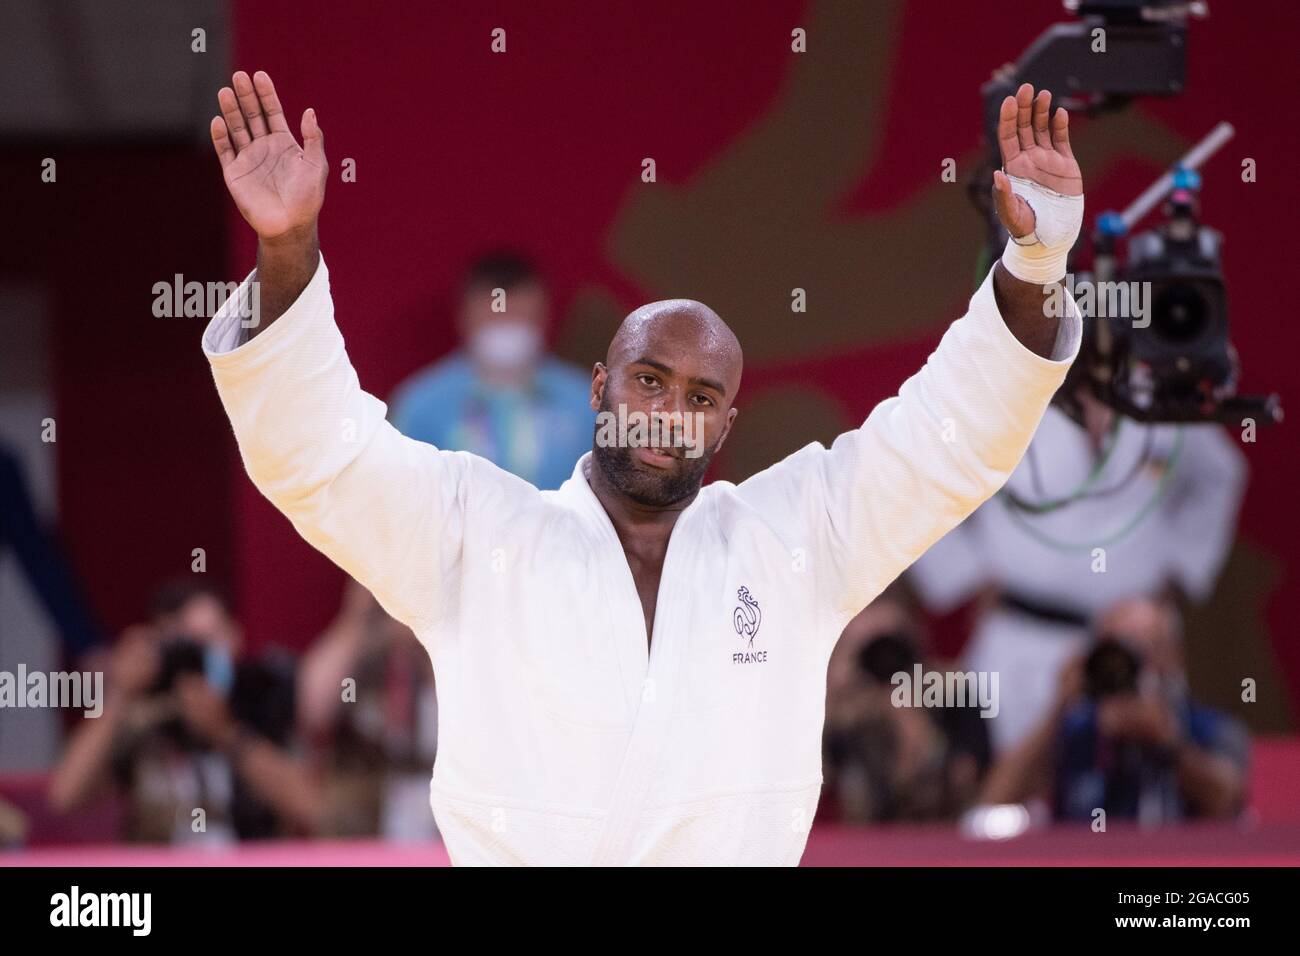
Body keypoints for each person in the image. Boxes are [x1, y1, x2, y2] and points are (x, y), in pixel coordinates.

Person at [202, 70, 1082, 865]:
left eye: (702, 397)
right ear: (599, 385)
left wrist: (1037, 262)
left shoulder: (790, 540)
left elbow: (950, 441)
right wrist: (286, 249)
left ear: (728, 422)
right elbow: (314, 455)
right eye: (650, 381)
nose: (670, 413)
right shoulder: (478, 533)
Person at [908, 383, 1247, 754]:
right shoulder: (1002, 383)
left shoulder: (1161, 396)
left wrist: (1181, 569)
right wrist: (964, 575)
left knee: (1135, 775)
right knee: (1006, 779)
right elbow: (917, 475)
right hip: (1020, 637)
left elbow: (1219, 475)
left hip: (1131, 646)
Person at [47, 580, 318, 843]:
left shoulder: (265, 699)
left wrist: (226, 733)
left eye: (209, 640)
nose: (199, 657)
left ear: (235, 635)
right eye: (185, 645)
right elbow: (65, 797)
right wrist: (120, 694)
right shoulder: (145, 719)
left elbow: (309, 807)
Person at [979, 596, 1249, 824]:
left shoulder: (1207, 727)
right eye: (1115, 652)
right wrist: (1058, 708)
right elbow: (995, 800)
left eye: (1143, 649)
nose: (1125, 667)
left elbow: (1227, 801)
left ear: (1173, 657)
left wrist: (1169, 745)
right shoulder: (1075, 732)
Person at [388, 252, 594, 490]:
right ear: (464, 315)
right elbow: (399, 490)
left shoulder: (585, 402)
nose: (507, 326)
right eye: (495, 315)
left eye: (520, 316)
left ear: (544, 315)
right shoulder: (421, 405)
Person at [822, 587, 990, 824]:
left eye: (892, 648)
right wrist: (835, 702)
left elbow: (968, 793)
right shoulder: (831, 717)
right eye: (867, 653)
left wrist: (912, 719)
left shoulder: (954, 696)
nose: (883, 666)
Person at [298, 578, 439, 840]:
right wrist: (357, 614)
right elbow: (315, 709)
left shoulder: (451, 651)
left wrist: (428, 638)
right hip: (368, 821)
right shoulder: (365, 652)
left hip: (441, 818)